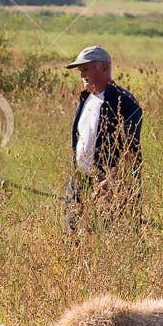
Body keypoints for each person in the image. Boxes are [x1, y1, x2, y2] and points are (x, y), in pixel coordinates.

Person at [61, 45, 142, 231]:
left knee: (108, 237)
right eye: (80, 70)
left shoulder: (125, 103)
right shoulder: (85, 99)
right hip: (80, 181)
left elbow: (131, 149)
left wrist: (111, 181)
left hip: (112, 185)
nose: (82, 74)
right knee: (72, 235)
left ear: (104, 68)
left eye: (86, 68)